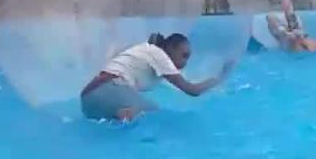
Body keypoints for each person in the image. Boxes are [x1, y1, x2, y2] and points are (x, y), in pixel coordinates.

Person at [81, 32, 228, 122]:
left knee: (146, 110)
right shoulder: (159, 54)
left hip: (89, 101)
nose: (185, 63)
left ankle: (123, 115)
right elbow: (192, 90)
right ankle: (126, 116)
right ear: (170, 48)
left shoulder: (148, 51)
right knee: (151, 113)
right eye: (184, 56)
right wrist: (218, 78)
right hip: (108, 89)